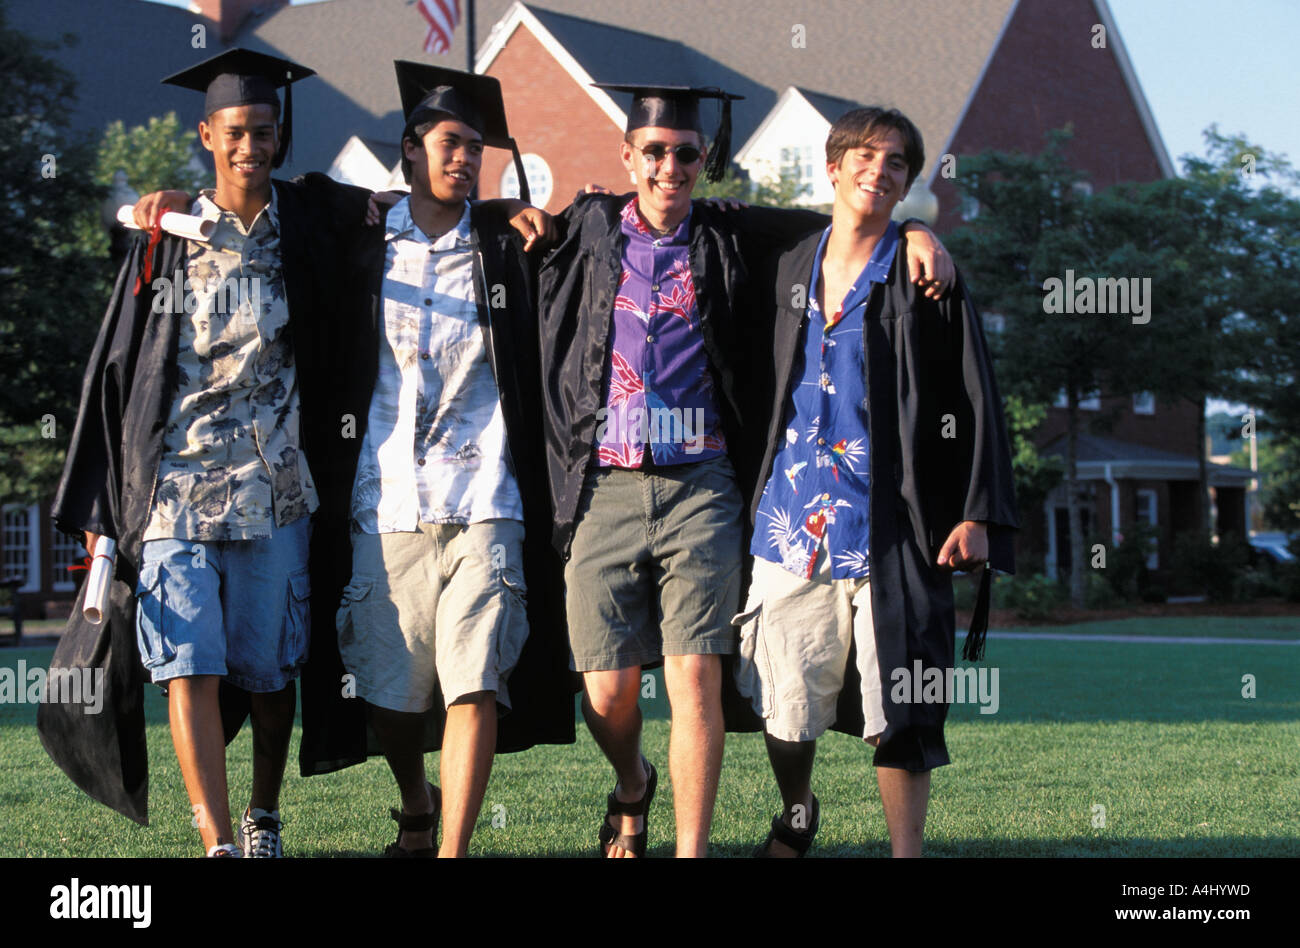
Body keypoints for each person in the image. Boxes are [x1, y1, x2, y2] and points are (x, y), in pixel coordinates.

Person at [535, 84, 956, 857]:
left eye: (686, 154)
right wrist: (508, 212)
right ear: (627, 157)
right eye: (654, 153)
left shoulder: (731, 233)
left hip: (704, 485)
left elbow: (849, 223)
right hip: (605, 486)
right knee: (606, 691)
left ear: (705, 161)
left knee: (694, 679)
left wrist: (920, 228)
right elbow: (465, 225)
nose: (670, 168)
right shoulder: (584, 229)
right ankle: (633, 783)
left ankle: (690, 852)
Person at [49, 48, 374, 856]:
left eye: (263, 131)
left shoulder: (307, 224)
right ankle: (218, 843)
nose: (250, 147)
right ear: (206, 135)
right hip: (176, 488)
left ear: (278, 132)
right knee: (185, 665)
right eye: (234, 132)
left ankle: (263, 815)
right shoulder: (168, 239)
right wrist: (104, 510)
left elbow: (399, 212)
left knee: (269, 679)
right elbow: (116, 374)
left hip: (276, 490)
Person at [735, 106, 1018, 857]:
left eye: (896, 163)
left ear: (906, 186)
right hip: (791, 523)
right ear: (832, 168)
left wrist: (977, 512)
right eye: (864, 155)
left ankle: (906, 852)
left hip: (896, 526)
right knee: (786, 711)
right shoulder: (789, 262)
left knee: (907, 704)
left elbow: (975, 395)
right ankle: (798, 812)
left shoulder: (925, 278)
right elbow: (713, 214)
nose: (879, 169)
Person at [329, 61, 573, 858]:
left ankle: (452, 851)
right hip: (387, 498)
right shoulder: (361, 238)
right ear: (408, 150)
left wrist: (514, 214)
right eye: (449, 143)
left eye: (476, 147)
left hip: (486, 498)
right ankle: (414, 800)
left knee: (475, 680)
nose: (466, 158)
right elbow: (276, 210)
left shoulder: (506, 246)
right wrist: (154, 206)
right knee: (393, 699)